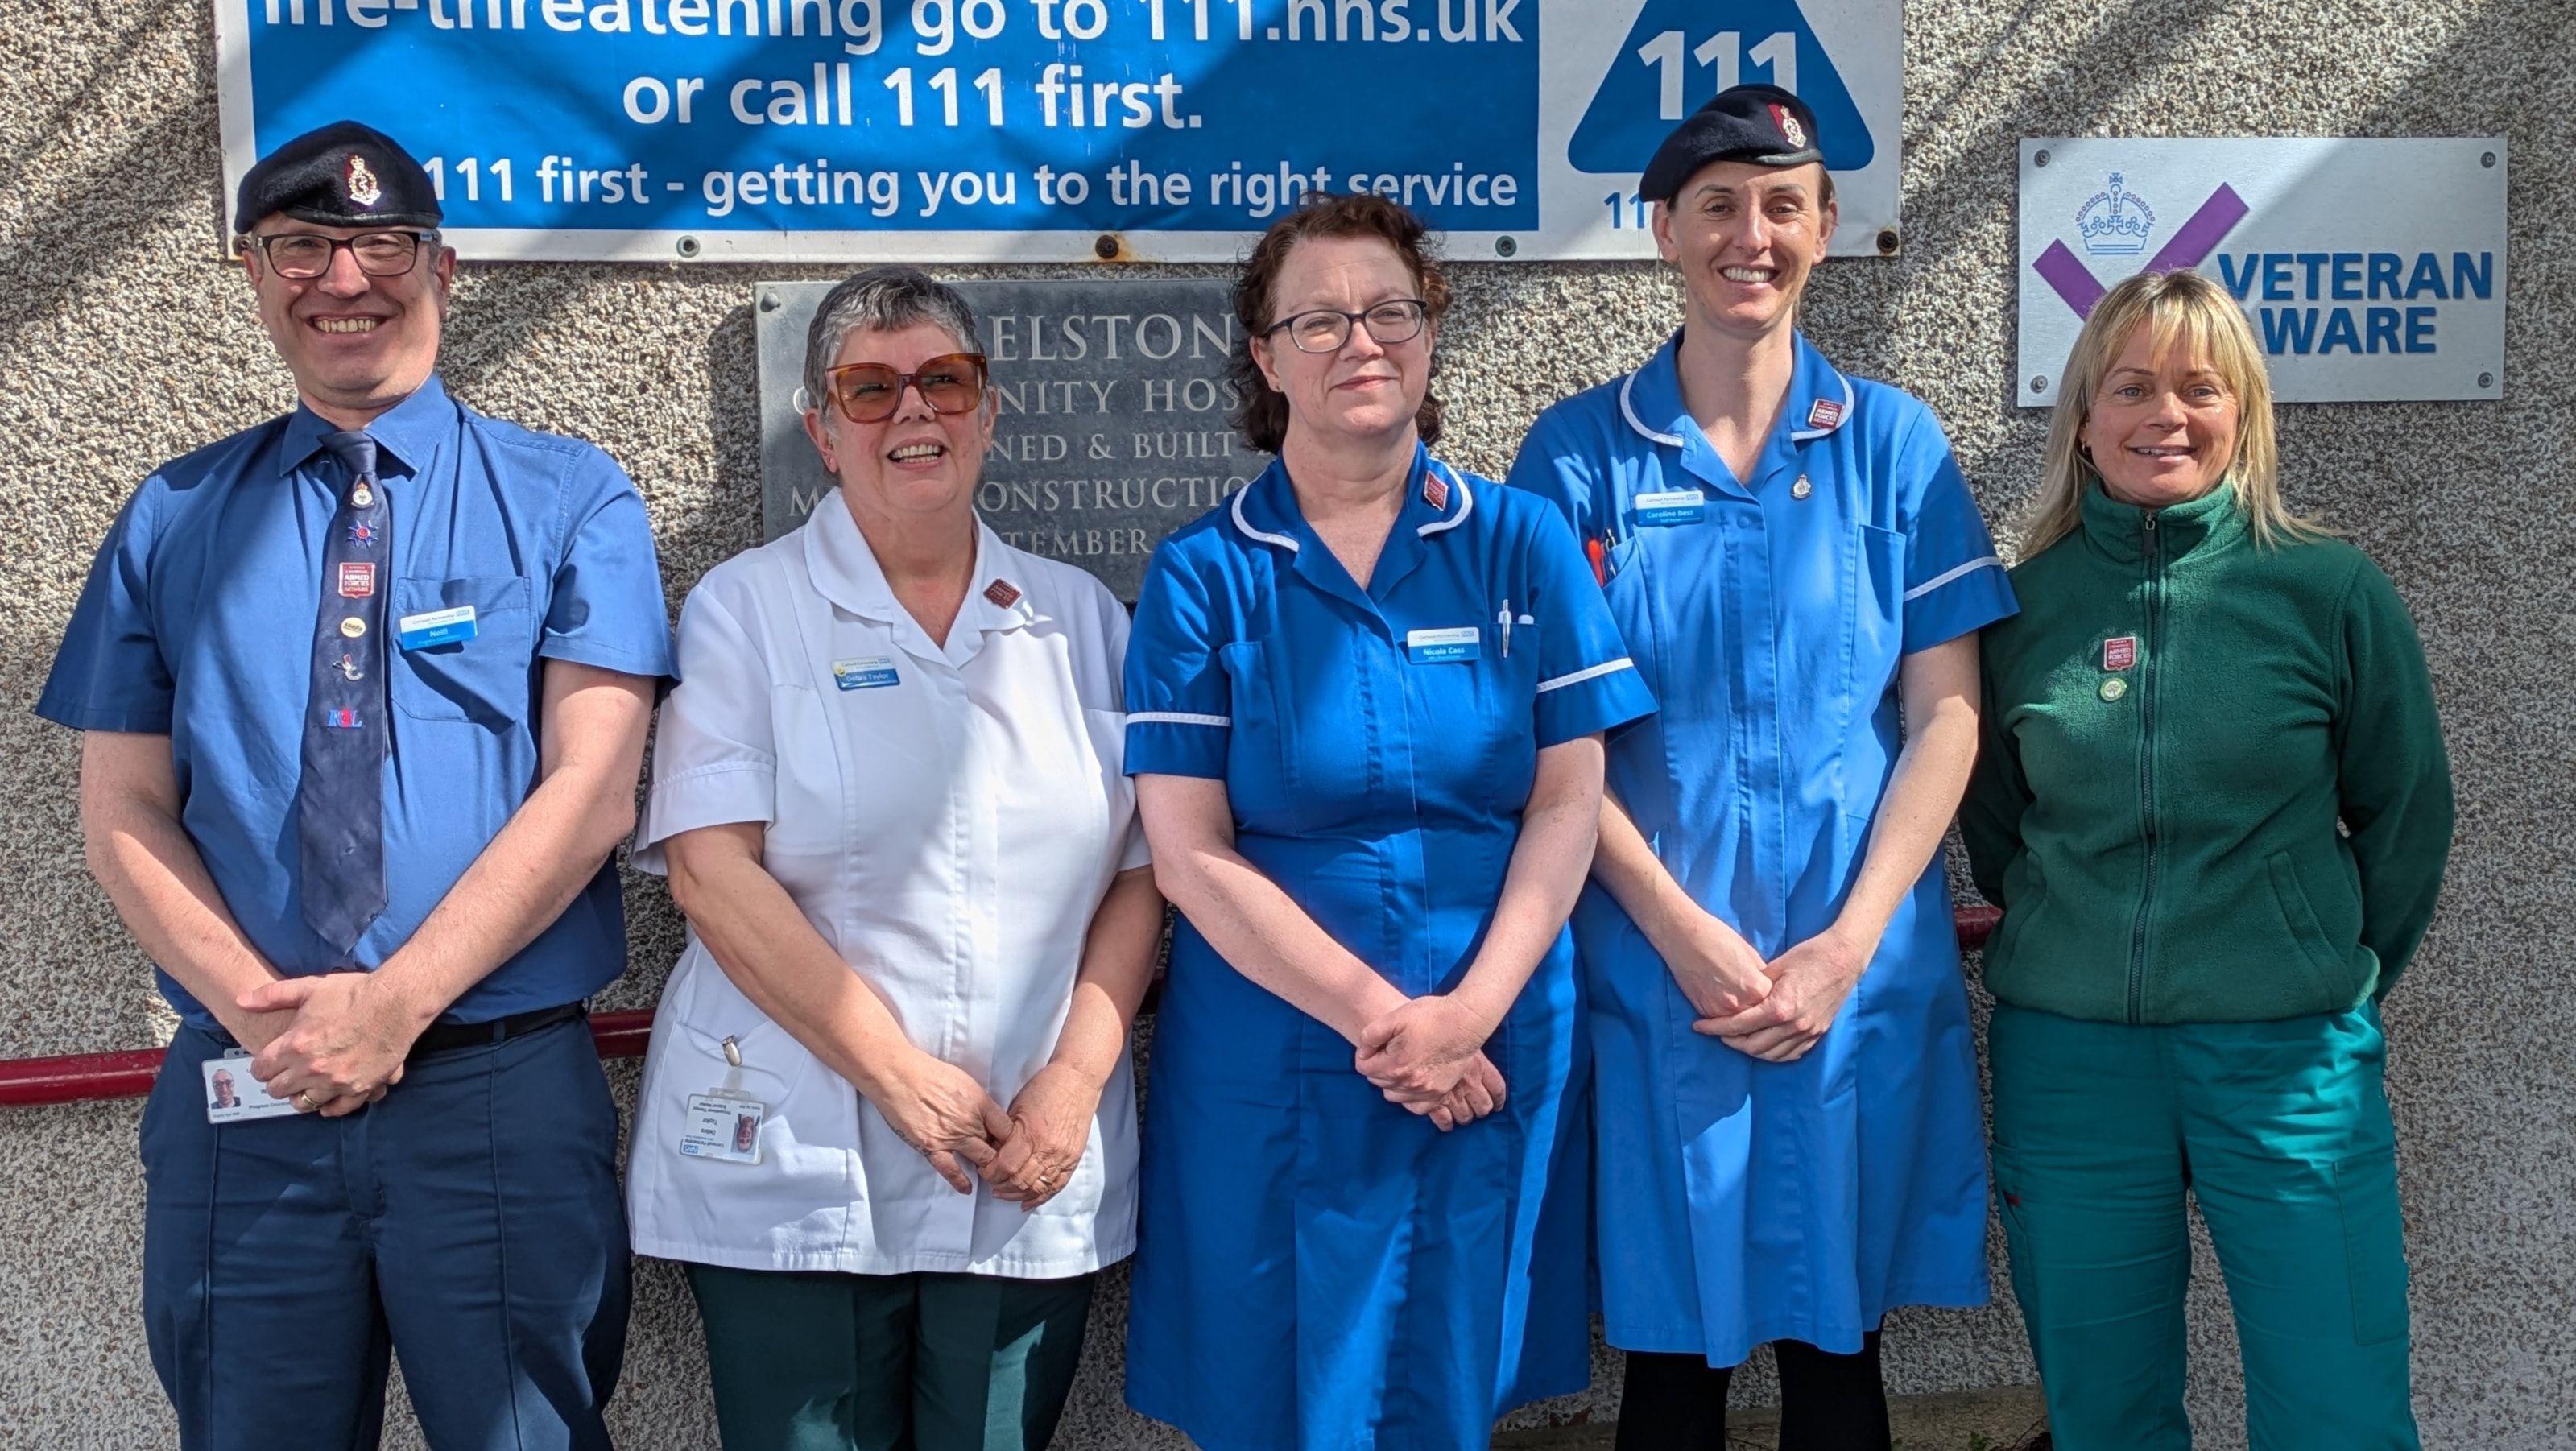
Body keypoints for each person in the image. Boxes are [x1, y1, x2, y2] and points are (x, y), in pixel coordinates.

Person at [35, 120, 673, 1449]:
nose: (344, 279)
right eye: (301, 246)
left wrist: (392, 1005)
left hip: (494, 1092)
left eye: (383, 244)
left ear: (444, 268)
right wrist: (270, 1019)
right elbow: (121, 814)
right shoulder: (170, 517)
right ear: (251, 271)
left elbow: (594, 791)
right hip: (249, 1091)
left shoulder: (570, 499)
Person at [1505, 86, 2018, 1449]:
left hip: (1853, 977)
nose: (1753, 234)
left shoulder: (1894, 447)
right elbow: (1555, 739)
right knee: (1670, 1362)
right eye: (1719, 205)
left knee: (1842, 1353)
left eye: (1784, 205)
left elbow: (1947, 716)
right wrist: (1681, 935)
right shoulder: (1578, 457)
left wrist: (1846, 946)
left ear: (1827, 226)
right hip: (1659, 982)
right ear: (1663, 230)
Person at [1119, 192, 1655, 1451]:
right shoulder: (1203, 572)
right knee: (1284, 1384)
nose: (1359, 341)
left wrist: (1464, 1017)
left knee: (1451, 1375)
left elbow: (1568, 799)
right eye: (1318, 320)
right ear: (1266, 358)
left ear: (1430, 333)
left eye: (1390, 311)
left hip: (1491, 1036)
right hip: (1282, 1050)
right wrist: (1389, 1023)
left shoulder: (1519, 541)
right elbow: (1188, 852)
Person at [626, 266, 1164, 1451]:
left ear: (989, 412)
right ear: (821, 431)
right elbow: (713, 873)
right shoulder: (745, 609)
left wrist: (1076, 1081)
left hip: (1024, 1145)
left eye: (944, 381)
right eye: (869, 389)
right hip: (799, 1150)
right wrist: (901, 1078)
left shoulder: (1082, 619)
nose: (912, 410)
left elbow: (1138, 873)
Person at [1959, 267, 2453, 1451]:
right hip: (2074, 1066)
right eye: (2132, 387)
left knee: (2339, 1413)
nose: (2166, 415)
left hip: (2287, 1060)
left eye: (2200, 387)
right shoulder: (2020, 611)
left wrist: (2313, 963)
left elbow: (2407, 816)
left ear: (2245, 413)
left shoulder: (2329, 591)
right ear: (2085, 417)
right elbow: (1999, 827)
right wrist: (2074, 942)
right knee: (2105, 1414)